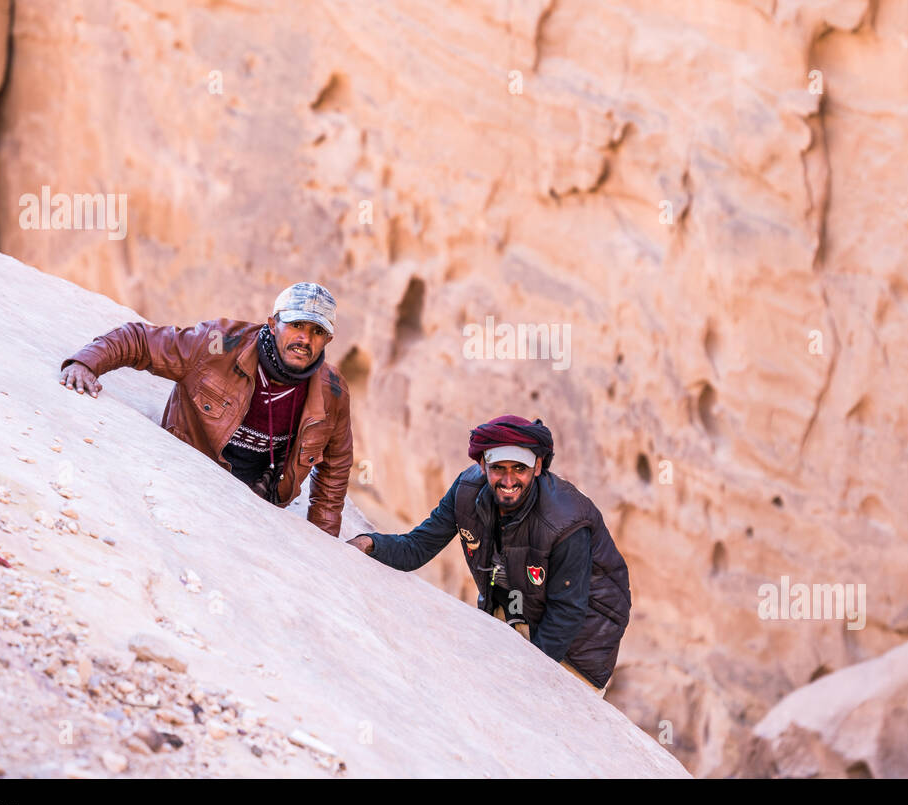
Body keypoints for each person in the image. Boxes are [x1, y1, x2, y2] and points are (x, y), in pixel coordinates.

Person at [347, 415, 631, 694]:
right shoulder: (466, 492)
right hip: (515, 611)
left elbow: (566, 614)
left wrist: (527, 682)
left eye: (519, 468)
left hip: (579, 645)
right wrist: (371, 544)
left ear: (538, 466)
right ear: (482, 465)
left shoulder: (566, 521)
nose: (508, 480)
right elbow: (418, 547)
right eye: (499, 468)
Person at [58, 283, 353, 536]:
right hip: (187, 481)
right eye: (296, 325)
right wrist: (86, 363)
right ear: (273, 324)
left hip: (259, 508)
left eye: (316, 331)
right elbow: (140, 341)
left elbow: (334, 471)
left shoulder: (332, 391)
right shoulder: (218, 345)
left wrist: (322, 543)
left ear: (328, 339)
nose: (304, 339)